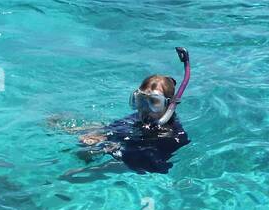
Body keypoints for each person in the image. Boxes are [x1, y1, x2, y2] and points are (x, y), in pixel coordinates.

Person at [57, 47, 193, 174]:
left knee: (78, 171)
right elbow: (115, 129)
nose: (145, 108)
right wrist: (100, 136)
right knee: (86, 143)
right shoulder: (137, 118)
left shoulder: (174, 136)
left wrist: (112, 149)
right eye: (141, 100)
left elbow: (150, 163)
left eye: (154, 102)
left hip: (144, 164)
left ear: (168, 105)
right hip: (129, 147)